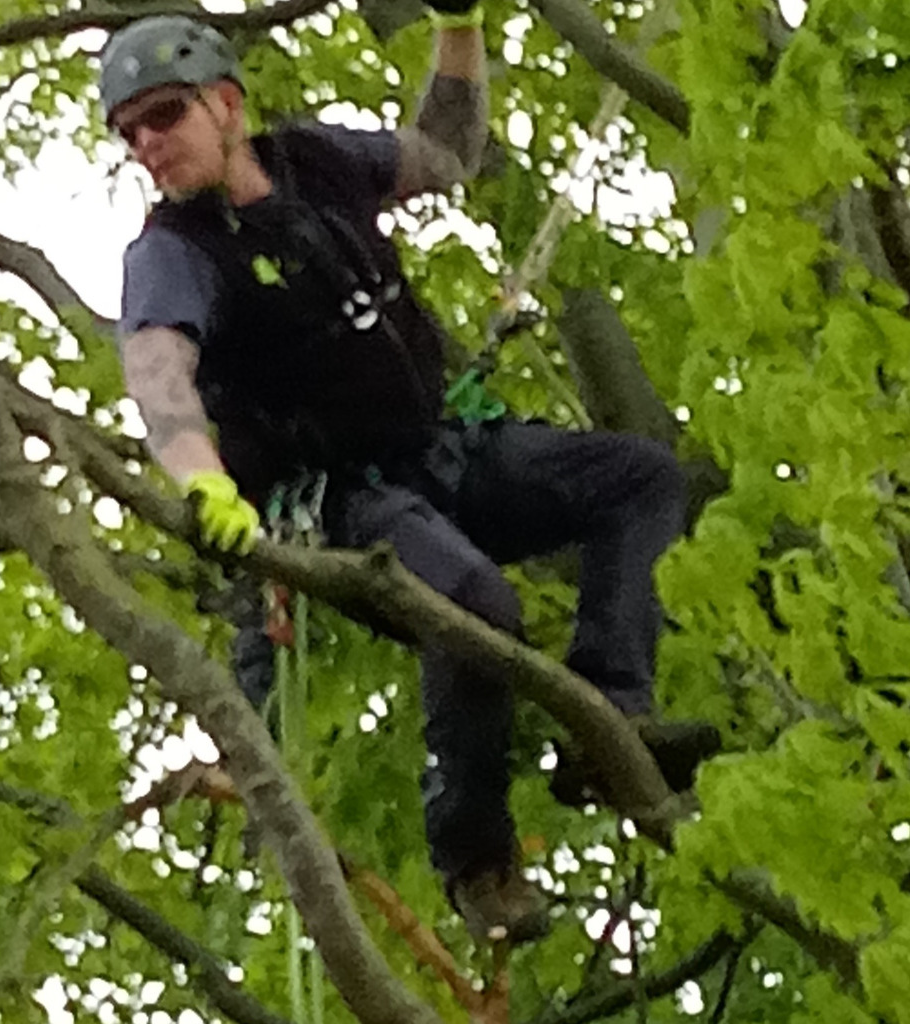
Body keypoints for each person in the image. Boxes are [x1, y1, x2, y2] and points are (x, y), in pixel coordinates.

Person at [101, 3, 715, 946]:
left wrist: (459, 28)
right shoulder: (173, 252)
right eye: (130, 131)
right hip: (343, 500)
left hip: (443, 448)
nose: (147, 143)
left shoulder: (313, 161)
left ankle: (613, 723)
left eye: (165, 115)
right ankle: (476, 860)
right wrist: (199, 479)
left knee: (636, 479)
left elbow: (445, 153)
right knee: (474, 605)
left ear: (225, 103)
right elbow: (158, 370)